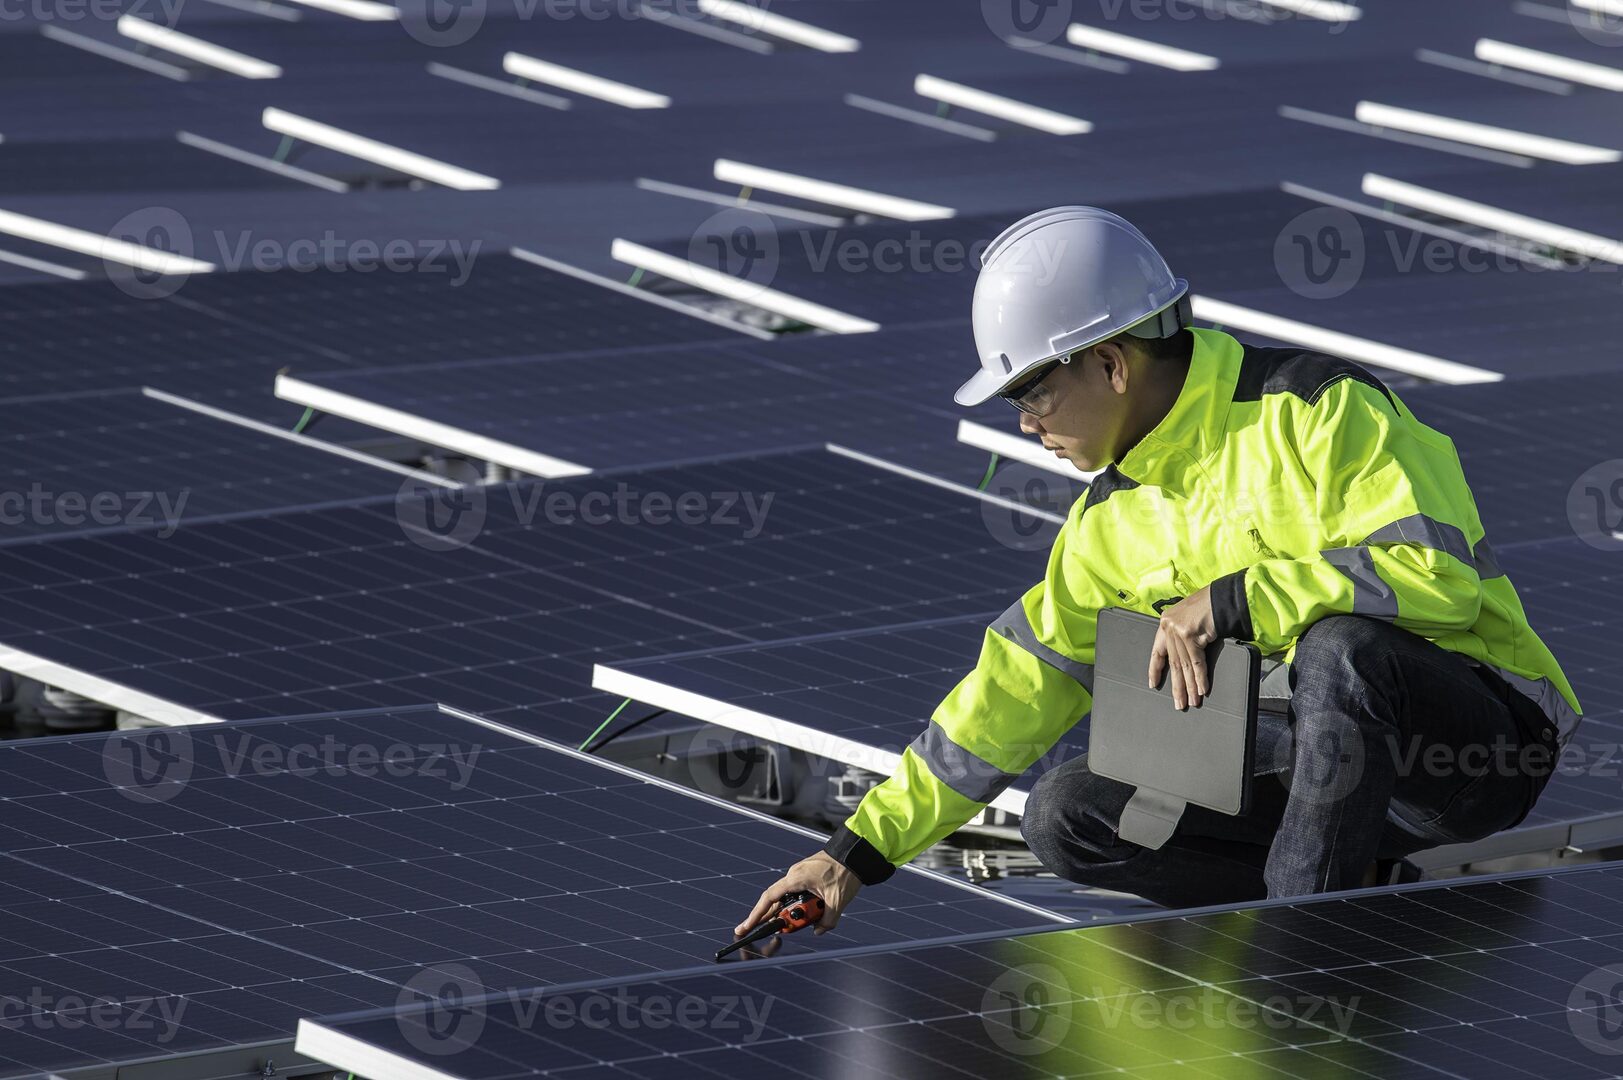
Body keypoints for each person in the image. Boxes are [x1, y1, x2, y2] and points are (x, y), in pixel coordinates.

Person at [735, 206, 1582, 939]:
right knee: (1066, 814)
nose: (1026, 424)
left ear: (1109, 363)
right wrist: (855, 853)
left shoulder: (1317, 407)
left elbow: (1436, 577)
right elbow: (1011, 691)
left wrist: (1234, 598)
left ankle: (1306, 953)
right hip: (1313, 777)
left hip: (1466, 755)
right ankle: (1363, 896)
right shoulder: (1106, 524)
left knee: (1340, 649)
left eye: (1030, 392)